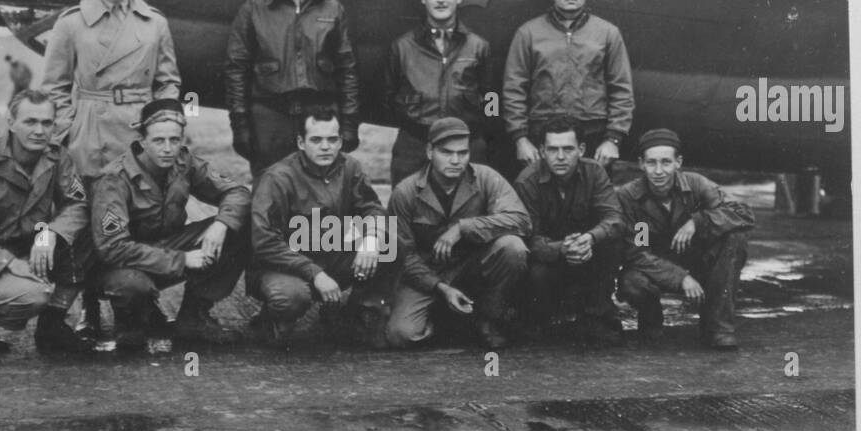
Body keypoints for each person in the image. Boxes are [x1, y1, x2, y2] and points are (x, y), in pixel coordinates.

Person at [90, 98, 252, 355]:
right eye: (158, 141)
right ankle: (130, 319)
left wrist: (221, 224)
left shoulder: (183, 163)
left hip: (166, 248)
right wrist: (182, 259)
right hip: (121, 265)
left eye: (174, 140)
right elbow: (112, 248)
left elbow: (238, 193)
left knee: (241, 224)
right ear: (142, 141)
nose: (167, 149)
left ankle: (193, 316)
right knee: (133, 288)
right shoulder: (114, 180)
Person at [0, 90, 95, 355]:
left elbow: (77, 204)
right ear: (10, 123)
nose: (39, 130)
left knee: (91, 233)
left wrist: (51, 234)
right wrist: (9, 263)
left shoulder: (57, 158)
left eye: (47, 123)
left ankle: (52, 323)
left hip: (29, 247)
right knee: (32, 297)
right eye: (30, 122)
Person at [247, 105, 395, 347]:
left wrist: (371, 239)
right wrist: (315, 274)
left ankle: (356, 313)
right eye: (316, 140)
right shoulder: (277, 178)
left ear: (340, 142)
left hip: (330, 255)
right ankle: (271, 321)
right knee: (291, 297)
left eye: (332, 139)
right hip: (285, 265)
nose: (325, 147)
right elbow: (265, 242)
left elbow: (373, 208)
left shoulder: (350, 167)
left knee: (390, 244)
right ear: (301, 143)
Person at [40, 0, 182, 177]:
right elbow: (54, 87)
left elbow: (168, 82)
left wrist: (160, 126)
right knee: (91, 204)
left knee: (141, 203)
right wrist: (69, 129)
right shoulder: (71, 22)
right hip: (91, 132)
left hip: (140, 126)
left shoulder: (155, 22)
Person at [224, 0, 360, 174]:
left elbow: (347, 70)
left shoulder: (332, 9)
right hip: (270, 121)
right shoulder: (253, 10)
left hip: (319, 120)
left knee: (320, 200)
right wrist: (240, 125)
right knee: (269, 198)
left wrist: (350, 124)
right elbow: (236, 71)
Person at [387, 117, 531, 350]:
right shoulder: (405, 192)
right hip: (428, 273)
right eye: (446, 152)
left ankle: (487, 316)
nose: (456, 160)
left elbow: (521, 221)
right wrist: (440, 288)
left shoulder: (485, 178)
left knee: (512, 247)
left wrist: (464, 228)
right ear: (429, 151)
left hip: (472, 265)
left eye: (462, 153)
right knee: (401, 335)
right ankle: (448, 323)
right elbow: (404, 256)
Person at [616, 128, 755, 349]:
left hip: (696, 261)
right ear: (641, 164)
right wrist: (680, 278)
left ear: (678, 162)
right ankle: (652, 325)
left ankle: (718, 328)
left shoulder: (697, 185)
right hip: (655, 265)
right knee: (633, 283)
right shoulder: (629, 197)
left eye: (666, 162)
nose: (659, 171)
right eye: (651, 163)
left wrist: (698, 222)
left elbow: (743, 214)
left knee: (735, 239)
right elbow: (637, 253)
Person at [501, 0, 634, 172]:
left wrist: (613, 139)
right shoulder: (528, 33)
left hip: (592, 135)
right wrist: (520, 139)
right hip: (542, 135)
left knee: (592, 199)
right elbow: (513, 89)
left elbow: (622, 90)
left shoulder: (608, 33)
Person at [514, 115, 626, 344]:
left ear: (581, 149)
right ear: (542, 150)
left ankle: (596, 316)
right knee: (534, 270)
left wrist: (590, 238)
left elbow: (614, 218)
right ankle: (541, 317)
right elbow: (528, 238)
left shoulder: (595, 173)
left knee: (613, 241)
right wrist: (562, 248)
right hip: (549, 260)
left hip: (587, 254)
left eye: (568, 148)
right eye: (553, 149)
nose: (561, 157)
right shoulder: (527, 181)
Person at [381, 0, 494, 186]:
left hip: (464, 146)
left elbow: (491, 99)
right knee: (408, 212)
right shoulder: (402, 47)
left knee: (468, 213)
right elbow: (387, 98)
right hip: (415, 147)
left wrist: (475, 133)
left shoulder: (478, 46)